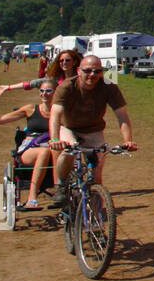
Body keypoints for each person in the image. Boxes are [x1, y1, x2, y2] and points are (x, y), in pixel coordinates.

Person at [49, 55, 138, 206]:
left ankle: (97, 216)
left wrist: (127, 141)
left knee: (97, 172)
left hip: (93, 130)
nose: (92, 75)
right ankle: (61, 186)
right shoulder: (66, 86)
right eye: (87, 70)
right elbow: (55, 114)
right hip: (68, 127)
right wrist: (55, 139)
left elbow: (122, 116)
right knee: (69, 151)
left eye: (97, 71)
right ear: (78, 70)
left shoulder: (109, 86)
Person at [0, 88, 58, 210]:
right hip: (32, 149)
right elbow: (0, 119)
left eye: (48, 90)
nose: (44, 93)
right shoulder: (30, 109)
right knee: (44, 152)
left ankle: (61, 192)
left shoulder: (60, 111)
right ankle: (32, 197)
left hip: (54, 151)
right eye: (42, 90)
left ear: (56, 93)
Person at [0, 48, 81, 99]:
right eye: (61, 60)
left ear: (74, 62)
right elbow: (32, 83)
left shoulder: (81, 77)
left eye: (67, 60)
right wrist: (8, 87)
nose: (64, 62)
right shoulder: (56, 79)